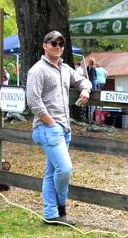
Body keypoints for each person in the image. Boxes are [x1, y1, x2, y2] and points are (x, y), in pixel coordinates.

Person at [26, 30, 92, 226]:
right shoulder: (37, 70)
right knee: (64, 169)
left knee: (51, 171)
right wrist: (51, 122)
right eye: (53, 43)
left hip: (64, 128)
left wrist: (86, 89)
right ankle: (61, 206)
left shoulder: (65, 68)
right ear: (44, 45)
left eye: (61, 44)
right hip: (48, 128)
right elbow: (33, 101)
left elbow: (82, 80)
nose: (58, 47)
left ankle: (51, 213)